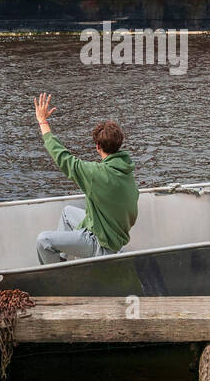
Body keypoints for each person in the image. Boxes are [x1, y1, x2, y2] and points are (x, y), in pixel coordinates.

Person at [32, 93, 138, 265]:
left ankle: (57, 278)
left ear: (97, 146)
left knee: (43, 240)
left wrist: (42, 121)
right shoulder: (126, 170)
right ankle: (63, 262)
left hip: (101, 245)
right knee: (67, 213)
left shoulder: (96, 174)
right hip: (112, 237)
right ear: (119, 144)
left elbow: (63, 157)